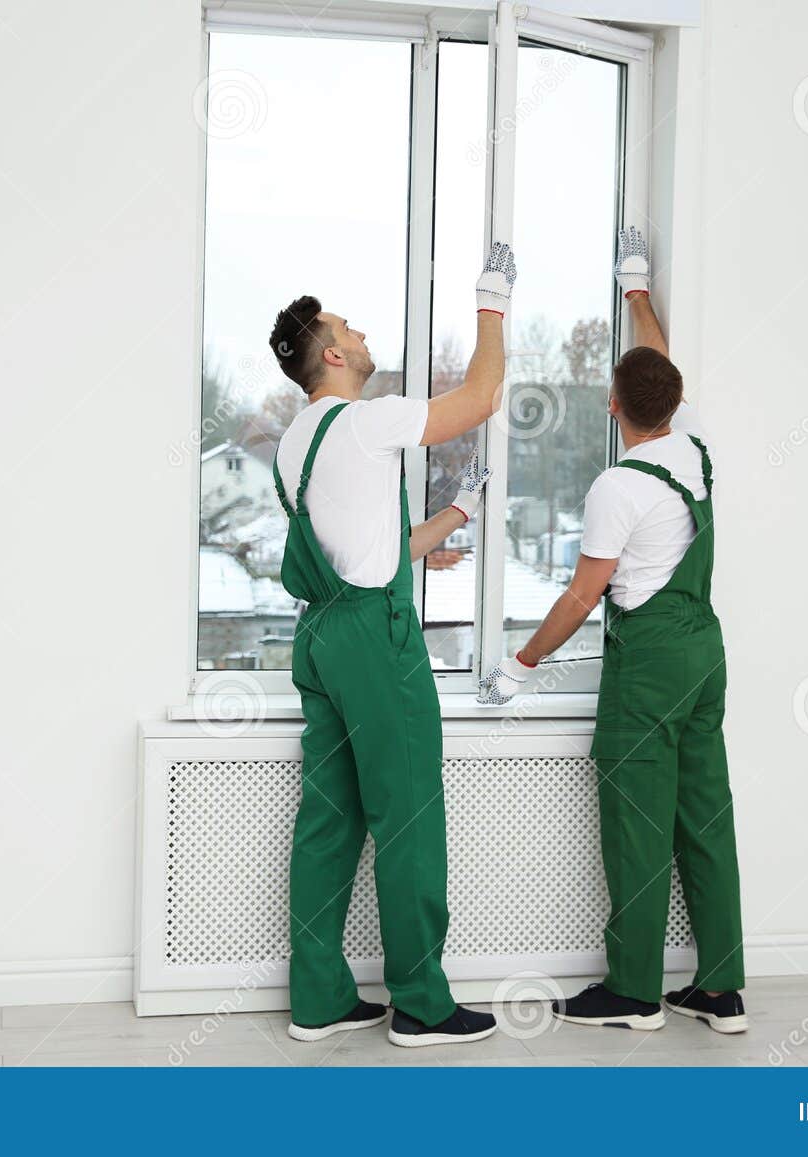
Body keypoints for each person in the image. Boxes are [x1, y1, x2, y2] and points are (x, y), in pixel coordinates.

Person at [478, 226, 747, 1034]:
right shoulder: (693, 447)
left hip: (652, 665)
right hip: (705, 653)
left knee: (638, 825)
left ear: (612, 407)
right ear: (672, 402)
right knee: (705, 817)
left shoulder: (619, 485)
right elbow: (660, 357)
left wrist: (519, 665)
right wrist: (636, 288)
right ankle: (722, 990)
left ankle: (635, 992)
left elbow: (578, 598)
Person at [270, 243, 518, 1047]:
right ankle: (421, 1002)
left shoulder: (295, 442)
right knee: (408, 814)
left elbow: (361, 554)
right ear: (333, 354)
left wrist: (452, 518)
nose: (364, 332)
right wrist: (491, 301)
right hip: (378, 642)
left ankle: (319, 998)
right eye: (349, 326)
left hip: (324, 636)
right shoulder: (369, 421)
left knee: (330, 820)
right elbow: (480, 397)